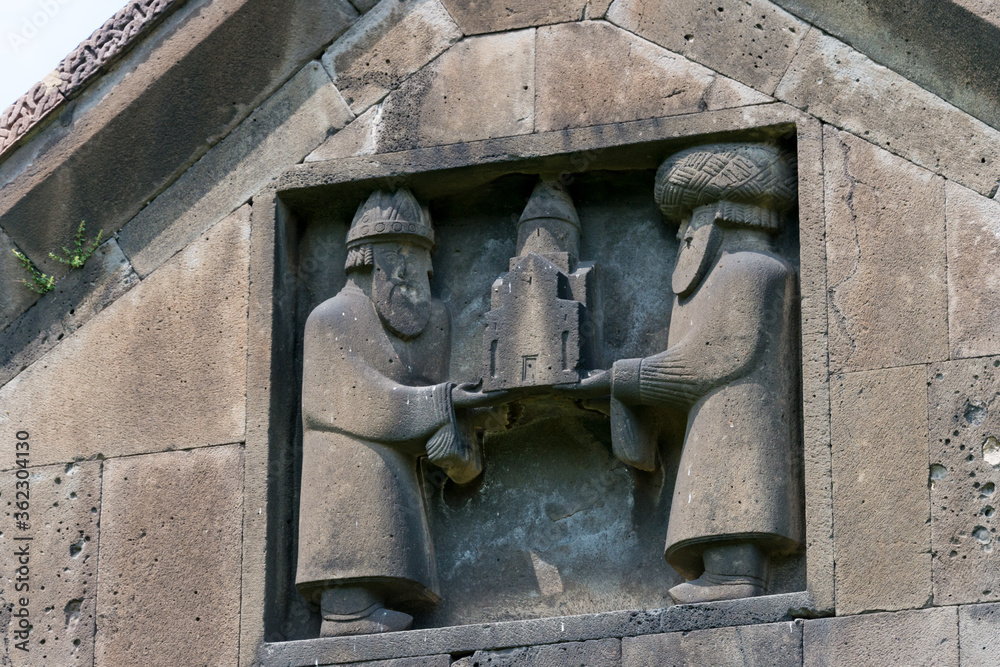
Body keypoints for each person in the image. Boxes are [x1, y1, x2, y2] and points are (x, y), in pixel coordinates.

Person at [571, 143, 803, 604]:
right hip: (712, 417)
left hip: (741, 418)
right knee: (713, 484)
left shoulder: (749, 271)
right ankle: (725, 572)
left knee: (734, 487)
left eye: (689, 228)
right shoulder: (720, 277)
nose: (682, 239)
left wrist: (624, 377)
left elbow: (713, 359)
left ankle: (737, 575)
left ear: (718, 222)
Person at [296, 189, 495, 637]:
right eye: (401, 255)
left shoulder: (427, 323)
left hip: (400, 464)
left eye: (423, 258)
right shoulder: (329, 319)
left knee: (395, 501)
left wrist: (454, 434)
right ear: (370, 260)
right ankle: (345, 610)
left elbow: (426, 392)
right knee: (360, 495)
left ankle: (373, 602)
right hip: (346, 464)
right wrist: (441, 403)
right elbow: (361, 401)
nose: (416, 272)